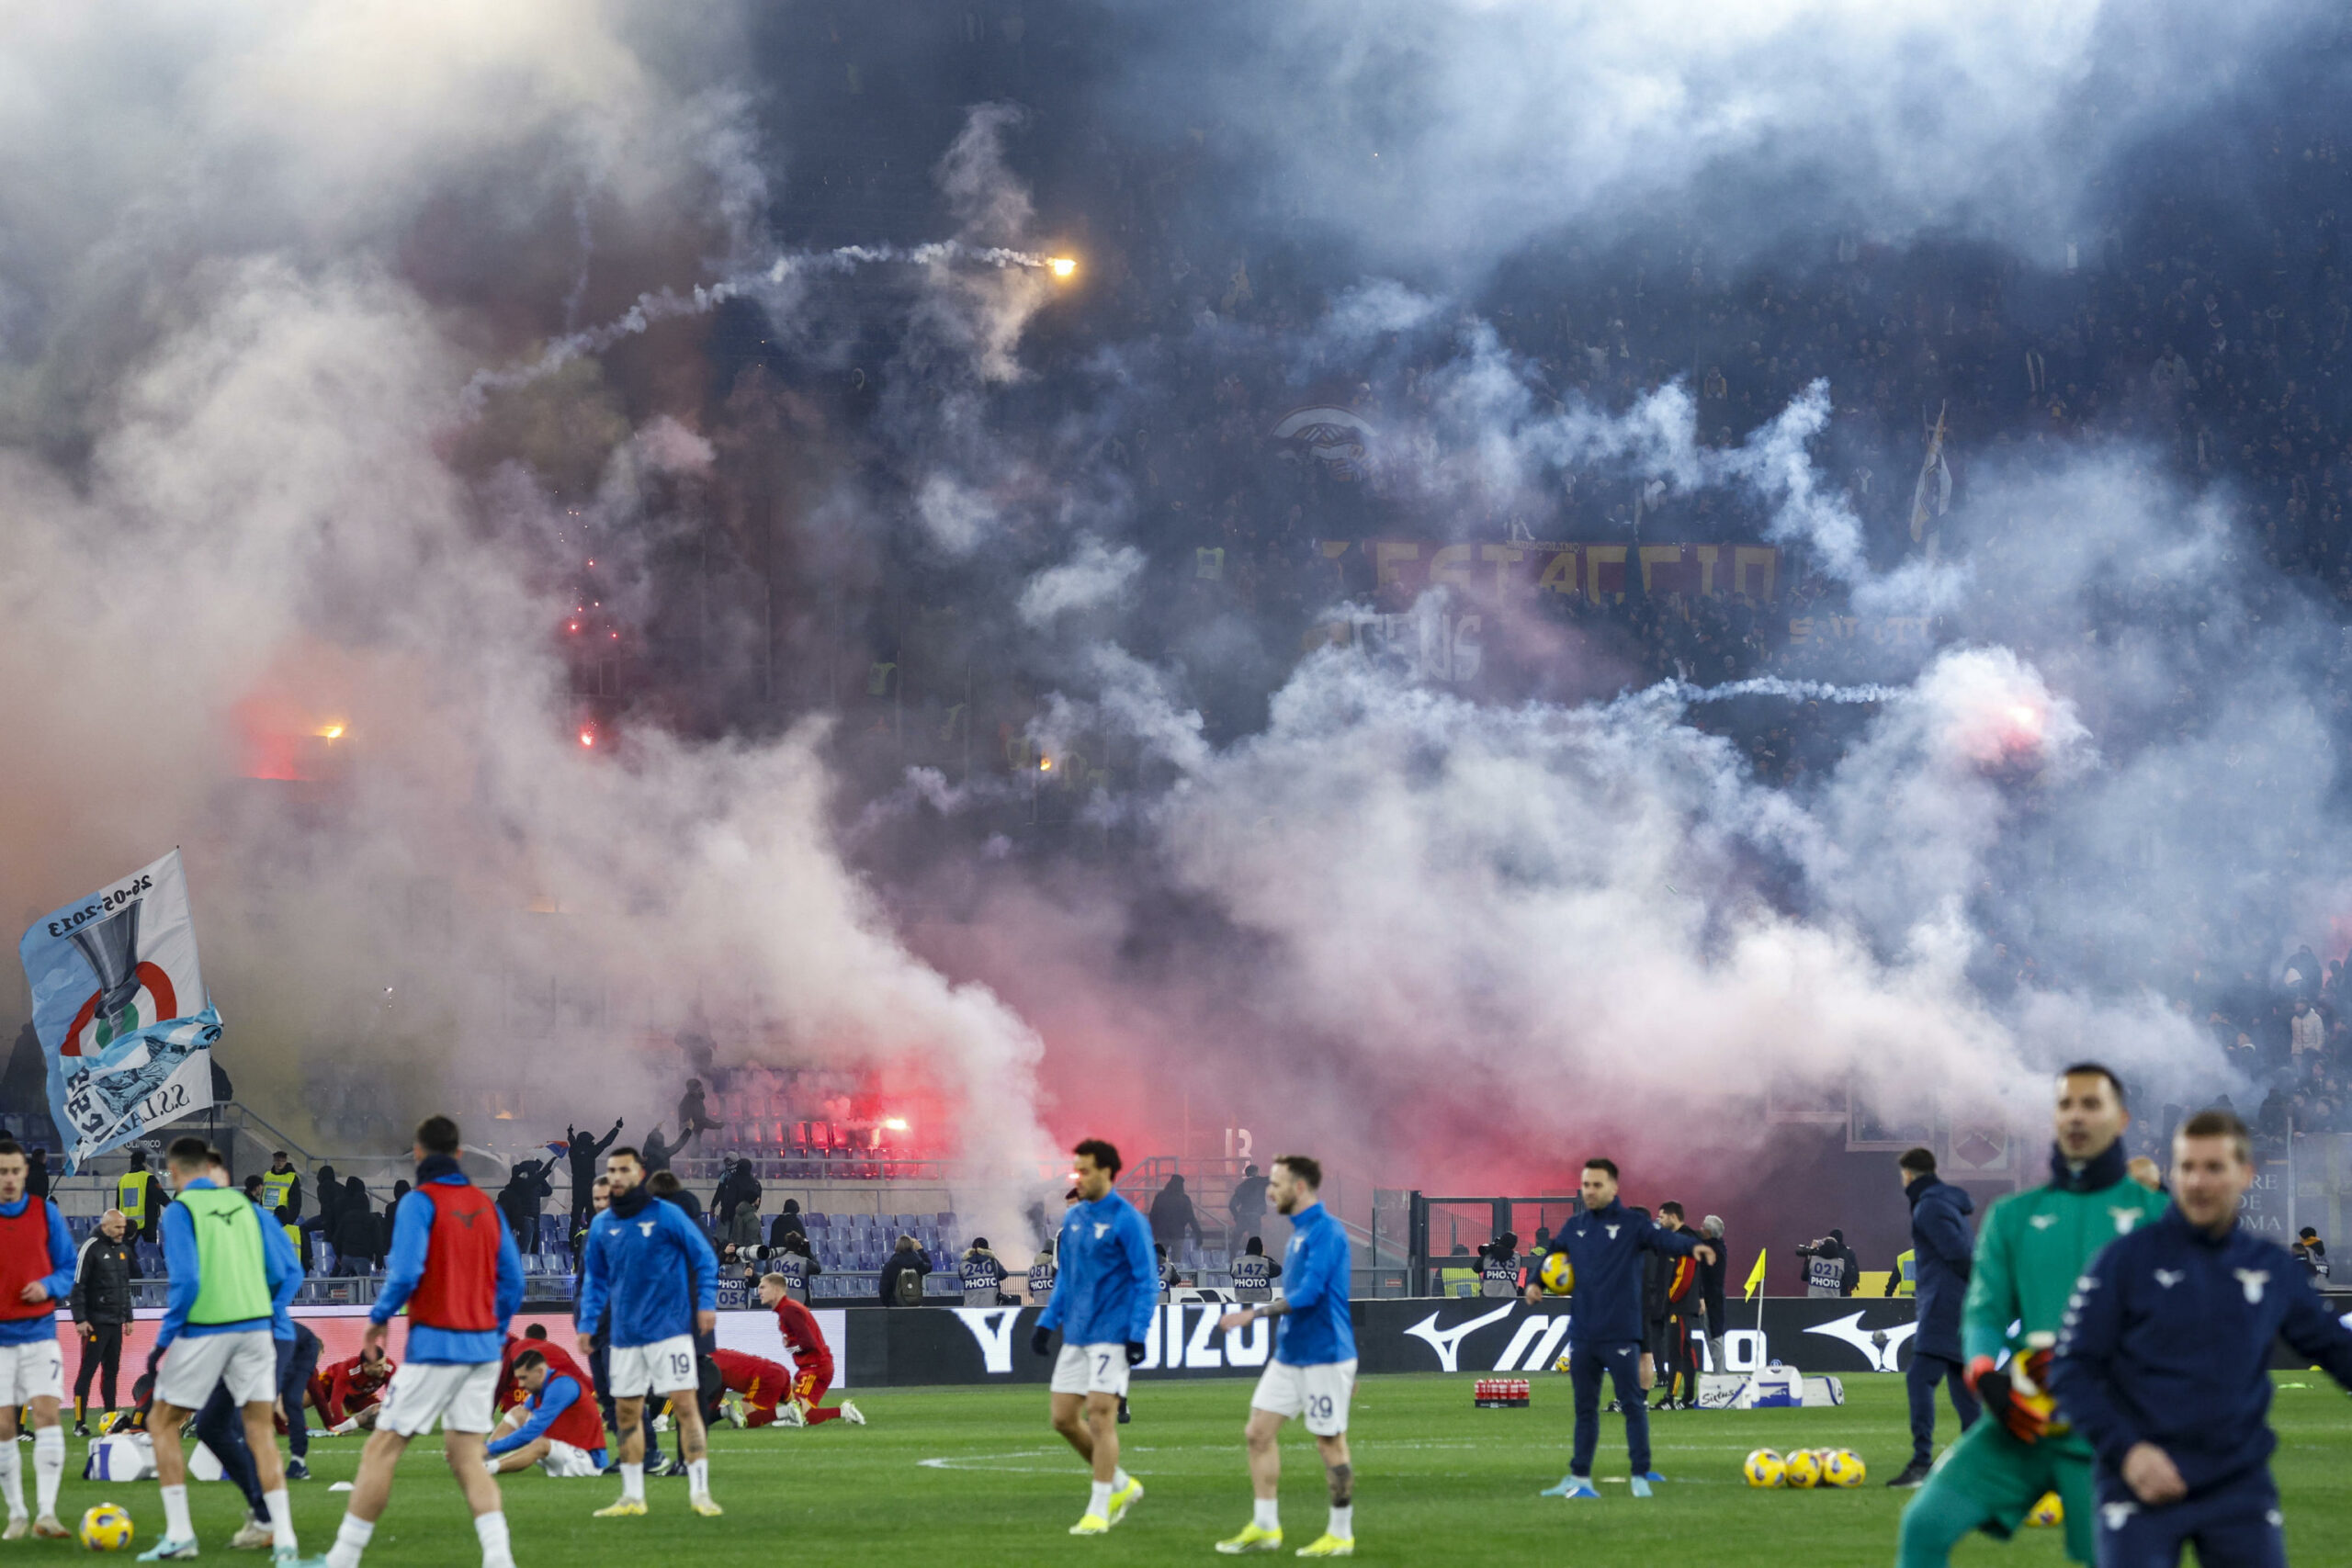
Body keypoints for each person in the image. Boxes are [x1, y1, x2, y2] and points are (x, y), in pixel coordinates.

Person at [1894, 1065, 2171, 1568]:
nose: (2077, 1116)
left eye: (2092, 1104)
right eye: (2066, 1104)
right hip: (2023, 1418)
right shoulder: (2012, 1216)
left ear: (2121, 1119)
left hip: (2110, 1434)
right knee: (1924, 1524)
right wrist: (1983, 1371)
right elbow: (1984, 1310)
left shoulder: (2158, 1221)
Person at [2050, 1108, 2352, 1567]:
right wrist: (2127, 1452)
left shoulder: (2270, 1268)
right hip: (2137, 1481)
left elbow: (2336, 1349)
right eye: (2188, 1167)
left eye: (2214, 1168)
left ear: (2245, 1174)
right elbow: (2070, 1368)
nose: (2198, 1181)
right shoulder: (2122, 1262)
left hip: (2237, 1485)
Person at [318, 1115, 524, 1568]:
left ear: (417, 1154)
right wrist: (493, 1328)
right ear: (460, 1155)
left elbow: (407, 1272)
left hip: (436, 1348)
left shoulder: (419, 1202)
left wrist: (378, 1317)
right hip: (482, 1351)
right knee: (467, 1455)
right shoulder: (486, 1207)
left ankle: (341, 1559)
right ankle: (499, 1558)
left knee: (382, 1448)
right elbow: (514, 1282)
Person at [146, 1134, 306, 1562]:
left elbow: (187, 1281)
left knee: (161, 1422)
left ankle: (180, 1534)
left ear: (175, 1172)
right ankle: (283, 1538)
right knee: (258, 1431)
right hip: (257, 1329)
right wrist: (262, 1306)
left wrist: (163, 1340)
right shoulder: (250, 1209)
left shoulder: (179, 1212)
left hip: (207, 1327)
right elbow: (286, 1270)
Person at [1522, 1157, 1714, 1500]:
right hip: (1582, 1333)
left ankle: (1640, 1475)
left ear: (1614, 1187)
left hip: (1621, 1333)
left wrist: (1694, 1246)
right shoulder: (1575, 1226)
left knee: (1632, 1405)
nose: (1590, 1191)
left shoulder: (1632, 1225)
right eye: (1586, 1185)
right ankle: (1580, 1478)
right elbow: (1552, 1255)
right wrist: (1536, 1283)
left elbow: (1666, 1241)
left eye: (1597, 1185)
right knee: (1585, 1410)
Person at [1214, 1155, 1357, 1558]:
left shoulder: (1326, 1232)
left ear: (1298, 1188)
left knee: (1329, 1443)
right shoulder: (1298, 1233)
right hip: (1291, 1354)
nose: (1269, 1192)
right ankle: (1265, 1527)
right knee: (1257, 1433)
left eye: (1275, 1185)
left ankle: (1341, 1533)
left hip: (1324, 1354)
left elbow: (1311, 1295)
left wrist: (1252, 1313)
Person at [574, 1144, 720, 1518]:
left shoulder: (667, 1215)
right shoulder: (603, 1226)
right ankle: (632, 1496)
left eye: (624, 1170)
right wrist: (588, 1324)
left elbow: (705, 1258)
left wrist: (706, 1304)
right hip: (623, 1337)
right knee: (625, 1414)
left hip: (670, 1332)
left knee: (686, 1408)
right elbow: (594, 1283)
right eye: (612, 1171)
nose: (617, 1178)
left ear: (639, 1173)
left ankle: (700, 1492)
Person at [1030, 1137, 1155, 1536]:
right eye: (1076, 1170)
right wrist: (1048, 1322)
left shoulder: (1129, 1220)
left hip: (1112, 1334)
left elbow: (1147, 1281)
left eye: (1084, 1171)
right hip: (1078, 1333)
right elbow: (1068, 1277)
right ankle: (1121, 1485)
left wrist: (1137, 1334)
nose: (1077, 1177)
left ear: (1106, 1172)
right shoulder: (1076, 1219)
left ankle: (1098, 1510)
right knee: (1063, 1419)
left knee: (1101, 1415)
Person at [1887, 1147, 1981, 1489]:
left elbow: (1958, 1254)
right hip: (1955, 1302)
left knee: (1920, 1379)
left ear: (1909, 1174)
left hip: (1944, 1303)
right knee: (1961, 1387)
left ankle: (1921, 1463)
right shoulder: (1946, 1203)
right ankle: (1980, 1462)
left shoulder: (1929, 1206)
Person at [0, 1138, 74, 1541]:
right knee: (3, 1425)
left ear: (25, 1173)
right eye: (2, 1172)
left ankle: (46, 1514)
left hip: (39, 1333)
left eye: (14, 1171)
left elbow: (66, 1267)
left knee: (46, 1415)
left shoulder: (45, 1214)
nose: (9, 1180)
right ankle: (16, 1513)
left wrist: (47, 1286)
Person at [754, 1273, 865, 1427]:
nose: (759, 1291)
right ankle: (792, 1415)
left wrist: (791, 1347)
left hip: (815, 1368)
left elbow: (808, 1343)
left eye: (763, 1287)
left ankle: (843, 1411)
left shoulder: (788, 1311)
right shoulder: (787, 1309)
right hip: (810, 1367)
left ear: (777, 1289)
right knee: (782, 1392)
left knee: (807, 1416)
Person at [486, 1349, 607, 1477]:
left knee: (540, 1443)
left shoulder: (562, 1387)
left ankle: (486, 1468)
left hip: (588, 1460)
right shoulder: (542, 1387)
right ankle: (482, 1458)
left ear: (539, 1372)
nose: (520, 1384)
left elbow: (532, 1431)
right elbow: (523, 1418)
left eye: (524, 1378)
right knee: (518, 1413)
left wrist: (491, 1447)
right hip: (562, 1448)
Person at [71, 1206, 137, 1436]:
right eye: (118, 1227)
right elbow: (77, 1285)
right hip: (95, 1322)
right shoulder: (90, 1247)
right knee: (87, 1371)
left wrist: (128, 1317)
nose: (122, 1231)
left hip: (115, 1322)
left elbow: (124, 1286)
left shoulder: (122, 1250)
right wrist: (79, 1318)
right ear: (105, 1226)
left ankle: (111, 1419)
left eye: (123, 1227)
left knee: (112, 1372)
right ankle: (79, 1422)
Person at [1644, 1202, 1702, 1411]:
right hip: (1676, 1304)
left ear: (1673, 1216)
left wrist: (1669, 1298)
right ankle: (1686, 1398)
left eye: (1662, 1217)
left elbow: (1684, 1276)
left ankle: (1671, 1397)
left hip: (1680, 1305)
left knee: (1676, 1351)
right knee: (1683, 1350)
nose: (1659, 1221)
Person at [310, 1345, 395, 1433]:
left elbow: (394, 1398)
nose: (384, 1367)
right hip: (332, 1381)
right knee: (308, 1399)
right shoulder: (348, 1369)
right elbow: (336, 1401)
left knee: (378, 1418)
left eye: (384, 1363)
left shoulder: (389, 1368)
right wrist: (340, 1426)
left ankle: (350, 1421)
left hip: (359, 1393)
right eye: (379, 1365)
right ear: (366, 1366)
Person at [562, 1118, 623, 1229]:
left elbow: (572, 1141)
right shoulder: (591, 1151)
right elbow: (606, 1142)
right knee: (591, 1218)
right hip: (590, 1189)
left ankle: (572, 1242)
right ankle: (589, 1241)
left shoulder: (573, 1150)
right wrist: (616, 1128)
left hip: (577, 1189)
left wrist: (570, 1133)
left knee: (575, 1218)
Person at [1695, 1214, 1729, 1376]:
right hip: (1714, 1299)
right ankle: (1719, 1374)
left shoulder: (1713, 1252)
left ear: (1708, 1232)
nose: (1700, 1229)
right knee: (1713, 1336)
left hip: (1711, 1301)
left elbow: (1704, 1277)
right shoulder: (1718, 1247)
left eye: (1703, 1227)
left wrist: (1701, 1297)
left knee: (1715, 1337)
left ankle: (1720, 1377)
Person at [1148, 1172, 1204, 1261]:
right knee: (1176, 1263)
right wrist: (1199, 1234)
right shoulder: (1184, 1199)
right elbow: (1191, 1218)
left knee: (1159, 1263)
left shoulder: (1160, 1197)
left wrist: (1154, 1232)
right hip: (1177, 1235)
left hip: (1162, 1234)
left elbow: (1153, 1215)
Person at [1794, 1228, 1861, 1295]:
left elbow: (1804, 1277)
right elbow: (1850, 1278)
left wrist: (1810, 1253)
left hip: (1814, 1300)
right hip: (1836, 1299)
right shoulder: (1841, 1262)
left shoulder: (1814, 1260)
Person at [118, 1148, 162, 1243]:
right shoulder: (148, 1178)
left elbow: (118, 1203)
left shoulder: (123, 1180)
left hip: (127, 1224)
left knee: (128, 1252)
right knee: (151, 1251)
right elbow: (161, 1195)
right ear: (144, 1163)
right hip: (147, 1223)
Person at [879, 1234, 930, 1305]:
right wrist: (920, 1250)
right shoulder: (918, 1263)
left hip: (896, 1306)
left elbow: (884, 1288)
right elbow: (929, 1266)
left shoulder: (890, 1265)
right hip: (915, 1306)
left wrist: (888, 1304)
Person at [959, 1236, 1010, 1303]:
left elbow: (962, 1277)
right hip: (991, 1306)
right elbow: (1004, 1274)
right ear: (987, 1249)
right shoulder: (992, 1261)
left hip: (970, 1308)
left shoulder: (963, 1263)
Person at [1231, 1235, 1280, 1303]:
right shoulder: (1265, 1262)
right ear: (1261, 1249)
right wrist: (1264, 1257)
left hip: (1241, 1305)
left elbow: (1233, 1276)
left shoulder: (1235, 1263)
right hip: (1262, 1305)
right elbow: (1279, 1270)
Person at [1227, 1163, 1270, 1241]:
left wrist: (1237, 1217)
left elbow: (1231, 1205)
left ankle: (1233, 1252)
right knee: (1254, 1240)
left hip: (1242, 1216)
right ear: (1255, 1172)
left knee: (1236, 1239)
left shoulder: (1241, 1186)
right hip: (1254, 1216)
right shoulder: (1261, 1181)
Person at [675, 1080, 722, 1147]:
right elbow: (700, 1121)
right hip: (690, 1138)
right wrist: (716, 1125)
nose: (702, 1091)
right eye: (700, 1089)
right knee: (693, 1155)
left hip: (690, 1137)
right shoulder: (690, 1102)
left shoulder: (694, 1100)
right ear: (693, 1090)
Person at [258, 1152, 301, 1223]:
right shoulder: (267, 1175)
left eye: (282, 1161)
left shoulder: (292, 1177)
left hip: (283, 1218)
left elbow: (295, 1202)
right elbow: (263, 1196)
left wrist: (290, 1220)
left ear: (286, 1161)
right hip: (266, 1217)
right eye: (278, 1160)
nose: (280, 1163)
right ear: (274, 1161)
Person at [1479, 1232, 1521, 1298]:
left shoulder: (1489, 1254)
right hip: (1509, 1295)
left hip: (1489, 1295)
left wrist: (1492, 1248)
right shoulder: (1517, 1257)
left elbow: (1476, 1268)